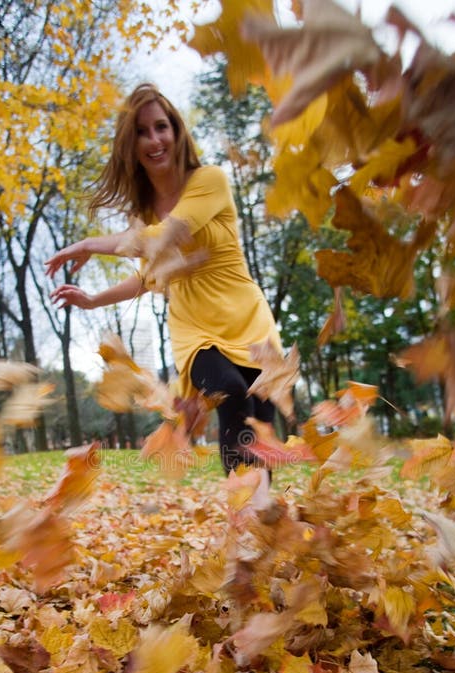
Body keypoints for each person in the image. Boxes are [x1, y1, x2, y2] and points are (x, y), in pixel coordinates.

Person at [45, 83, 282, 481]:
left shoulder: (210, 180)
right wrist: (92, 300)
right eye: (142, 132)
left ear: (176, 131)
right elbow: (149, 276)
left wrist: (89, 244)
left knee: (260, 421)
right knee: (229, 391)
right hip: (195, 330)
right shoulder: (145, 213)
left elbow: (165, 236)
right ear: (131, 144)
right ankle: (245, 509)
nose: (154, 140)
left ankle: (260, 510)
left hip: (248, 319)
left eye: (161, 127)